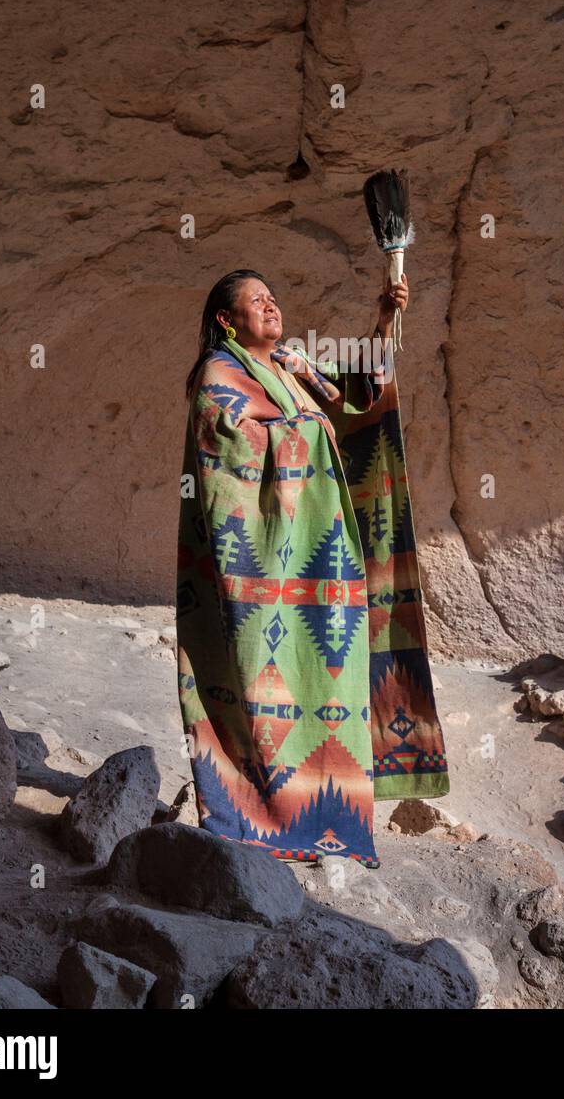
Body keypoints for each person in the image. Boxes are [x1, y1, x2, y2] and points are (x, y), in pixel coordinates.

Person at [176, 267, 449, 868]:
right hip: (261, 571)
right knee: (263, 681)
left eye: (274, 296)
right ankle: (263, 819)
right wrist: (306, 431)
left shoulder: (294, 366)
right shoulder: (219, 378)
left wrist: (382, 320)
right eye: (256, 301)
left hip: (325, 560)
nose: (271, 306)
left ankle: (332, 822)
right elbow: (229, 455)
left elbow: (355, 401)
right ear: (227, 321)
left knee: (335, 680)